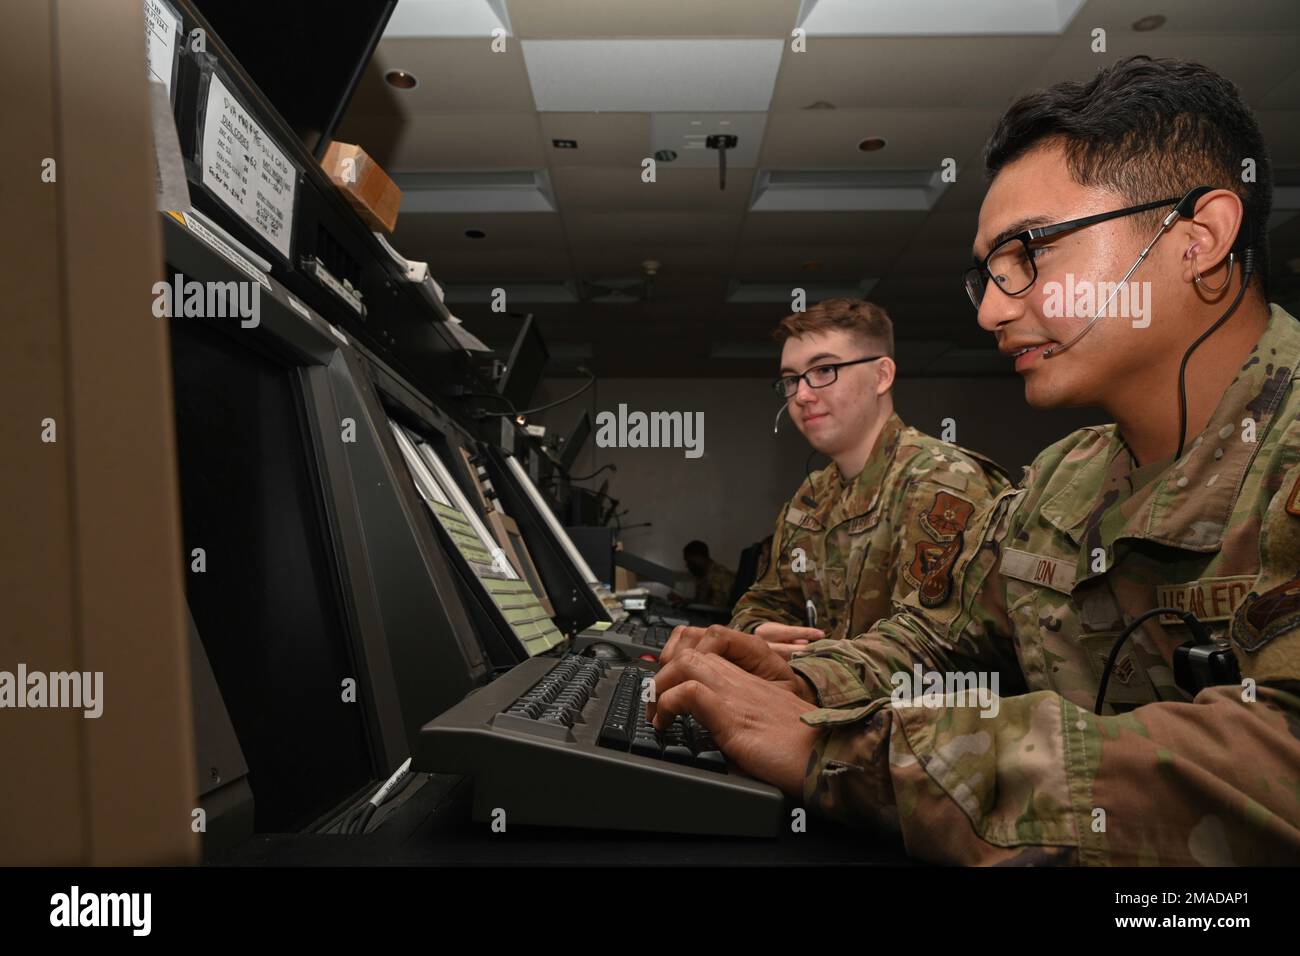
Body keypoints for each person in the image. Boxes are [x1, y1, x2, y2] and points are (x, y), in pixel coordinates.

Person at [649, 56, 1300, 865]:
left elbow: (1276, 759)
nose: (995, 308)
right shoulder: (1066, 478)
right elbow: (945, 640)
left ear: (1196, 239)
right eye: (988, 272)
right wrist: (805, 683)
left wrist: (852, 752)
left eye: (1031, 251)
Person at [729, 299, 1010, 657]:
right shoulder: (813, 495)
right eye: (790, 379)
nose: (801, 395)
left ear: (882, 376)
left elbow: (936, 651)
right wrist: (757, 633)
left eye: (824, 370)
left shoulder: (938, 480)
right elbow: (762, 601)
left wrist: (809, 673)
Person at [674, 540, 735, 608]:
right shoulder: (703, 575)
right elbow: (702, 604)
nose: (688, 566)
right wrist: (684, 601)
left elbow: (718, 609)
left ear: (699, 557)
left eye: (689, 562)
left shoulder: (720, 576)